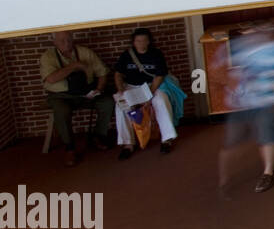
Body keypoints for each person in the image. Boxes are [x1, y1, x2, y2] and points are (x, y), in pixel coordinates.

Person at [217, 24, 274, 194]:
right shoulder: (238, 48)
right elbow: (219, 70)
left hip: (267, 101)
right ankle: (223, 179)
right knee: (233, 141)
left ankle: (268, 172)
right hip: (241, 103)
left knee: (267, 137)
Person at [39, 31, 115, 165]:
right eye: (62, 41)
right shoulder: (48, 56)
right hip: (61, 95)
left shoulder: (85, 52)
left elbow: (102, 72)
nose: (66, 43)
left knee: (107, 102)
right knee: (61, 110)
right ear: (54, 42)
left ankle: (99, 136)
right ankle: (69, 148)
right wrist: (74, 66)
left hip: (85, 93)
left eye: (69, 40)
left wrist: (99, 89)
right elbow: (51, 79)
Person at [113, 27, 180, 160]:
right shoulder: (126, 55)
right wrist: (121, 90)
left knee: (161, 101)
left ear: (149, 41)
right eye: (138, 41)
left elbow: (160, 75)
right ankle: (128, 144)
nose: (141, 43)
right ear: (133, 42)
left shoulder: (156, 54)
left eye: (144, 40)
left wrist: (150, 94)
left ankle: (167, 139)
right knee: (121, 107)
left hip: (152, 86)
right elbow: (118, 74)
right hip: (131, 87)